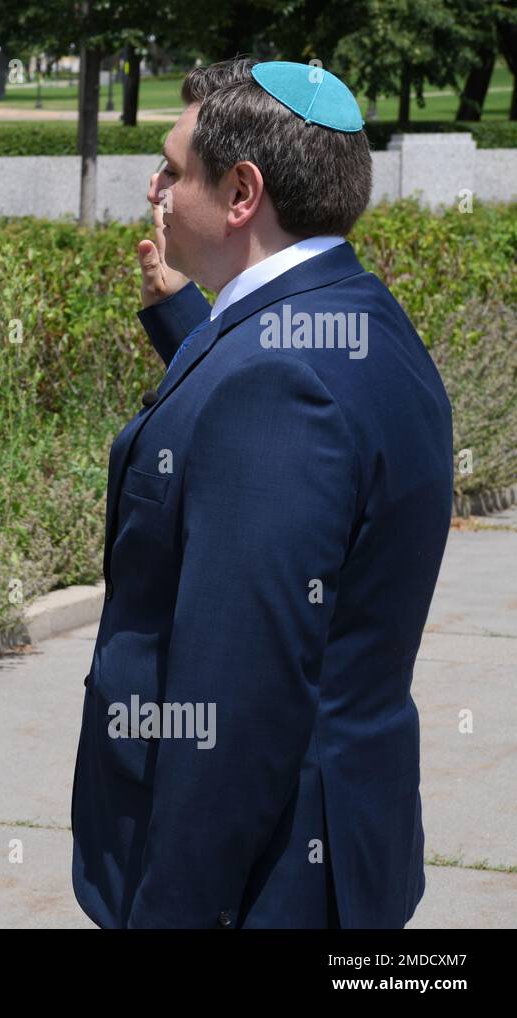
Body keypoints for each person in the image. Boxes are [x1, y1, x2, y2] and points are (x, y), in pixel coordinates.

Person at [70, 59, 453, 928]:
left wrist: (175, 912)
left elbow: (236, 703)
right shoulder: (356, 316)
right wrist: (188, 327)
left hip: (257, 884)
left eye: (171, 168)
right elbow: (293, 431)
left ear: (242, 192)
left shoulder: (275, 384)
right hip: (340, 845)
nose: (154, 187)